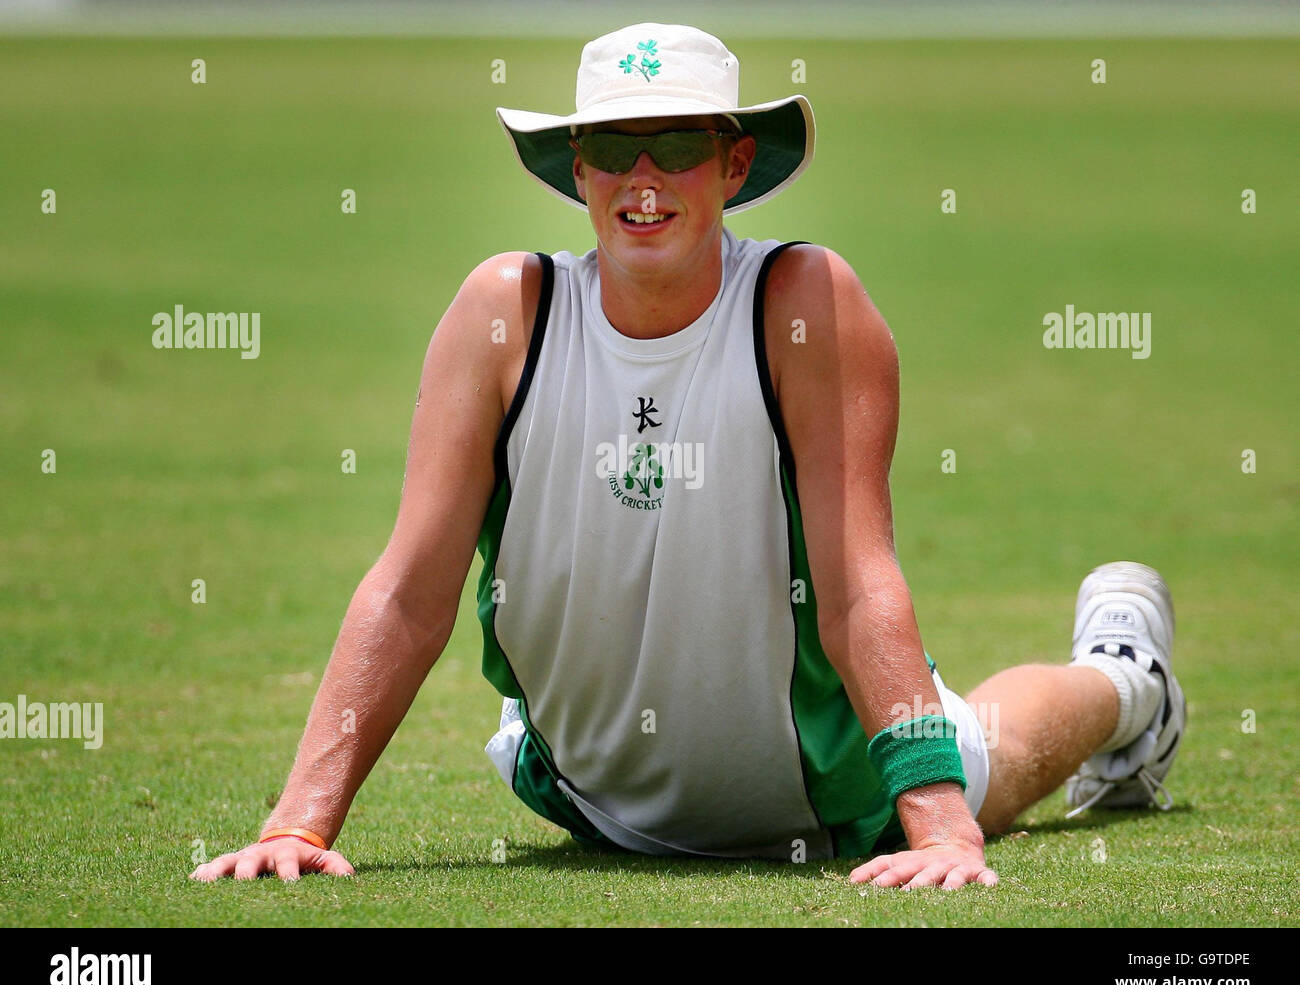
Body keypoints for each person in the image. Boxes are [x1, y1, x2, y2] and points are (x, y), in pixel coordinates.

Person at [191, 23, 1185, 891]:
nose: (644, 179)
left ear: (735, 164)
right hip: (587, 800)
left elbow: (856, 584)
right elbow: (410, 592)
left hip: (831, 794)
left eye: (675, 146)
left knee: (991, 753)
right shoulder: (502, 314)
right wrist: (298, 824)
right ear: (574, 166)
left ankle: (1127, 678)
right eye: (615, 148)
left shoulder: (805, 303)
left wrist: (935, 822)